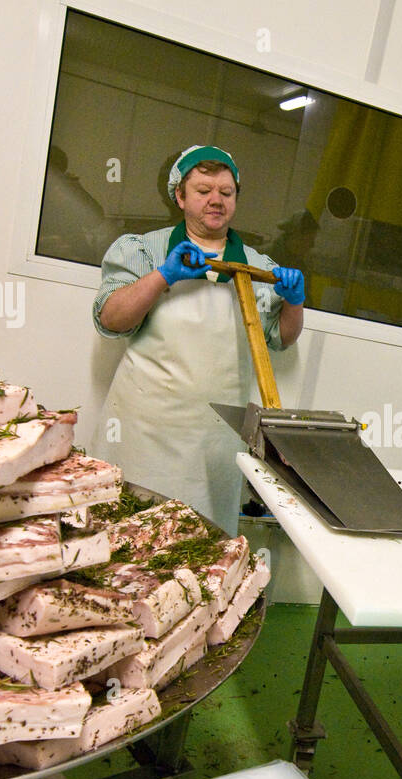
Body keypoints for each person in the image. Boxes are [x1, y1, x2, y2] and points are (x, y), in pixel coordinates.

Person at [90, 145, 305, 534]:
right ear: (180, 195)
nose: (216, 200)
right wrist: (163, 276)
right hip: (143, 428)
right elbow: (111, 318)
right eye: (204, 189)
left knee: (199, 548)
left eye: (226, 192)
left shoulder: (257, 267)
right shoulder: (144, 250)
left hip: (215, 437)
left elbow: (280, 339)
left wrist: (294, 303)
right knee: (122, 535)